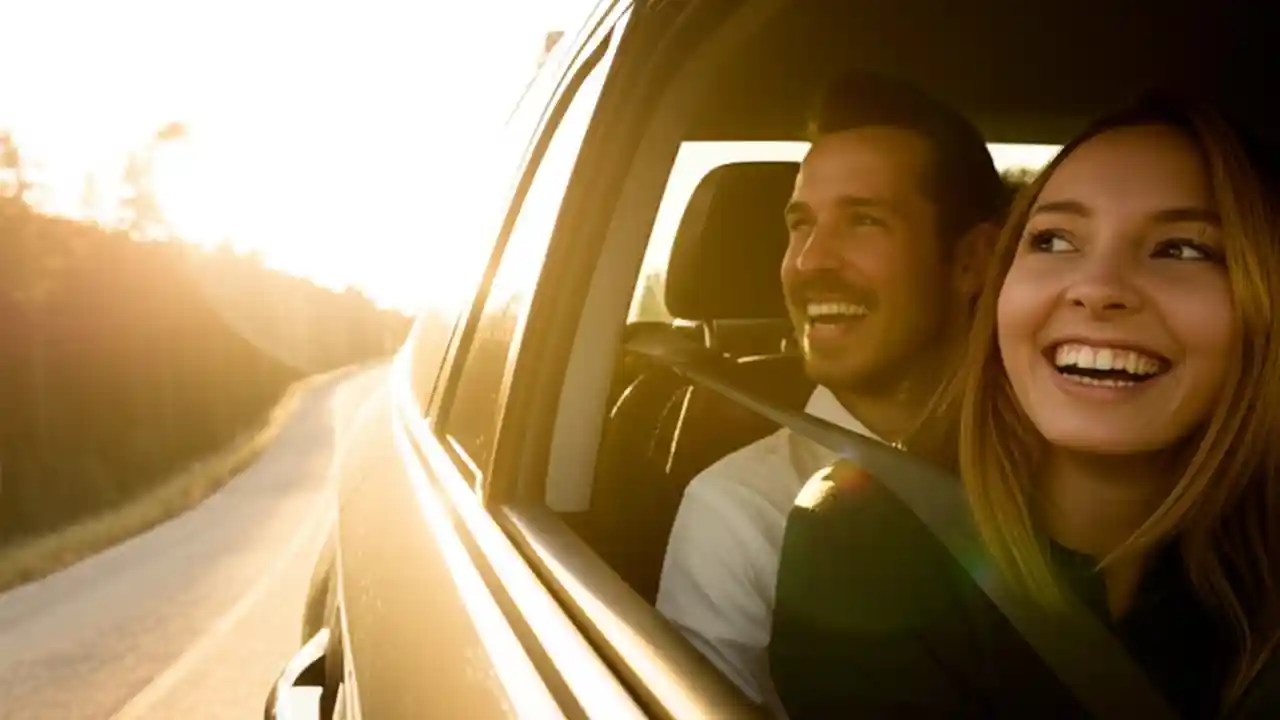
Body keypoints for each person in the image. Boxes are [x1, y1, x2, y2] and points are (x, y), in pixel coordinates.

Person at [770, 94, 1280, 718]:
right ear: (1000, 281)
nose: (1097, 288)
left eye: (1181, 249)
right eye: (1056, 239)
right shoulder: (866, 538)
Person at [654, 70, 1005, 706]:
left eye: (864, 220)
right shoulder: (742, 512)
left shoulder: (1076, 475)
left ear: (972, 261)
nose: (810, 260)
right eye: (800, 224)